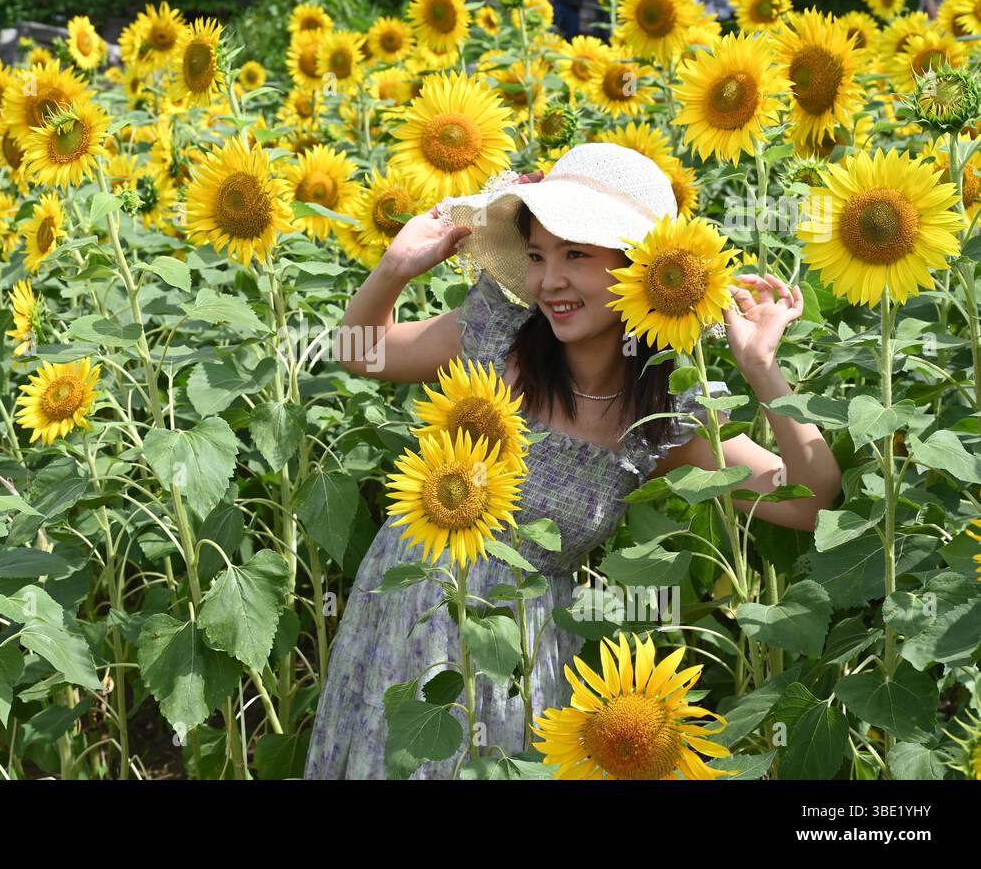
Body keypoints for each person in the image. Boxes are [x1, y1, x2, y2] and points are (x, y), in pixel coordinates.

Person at [303, 145, 843, 779]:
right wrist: (394, 267)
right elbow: (360, 353)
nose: (548, 281)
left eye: (576, 255)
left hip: (517, 657)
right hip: (403, 606)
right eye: (536, 255)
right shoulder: (495, 336)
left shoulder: (663, 423)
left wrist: (762, 370)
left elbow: (813, 503)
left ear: (637, 270)